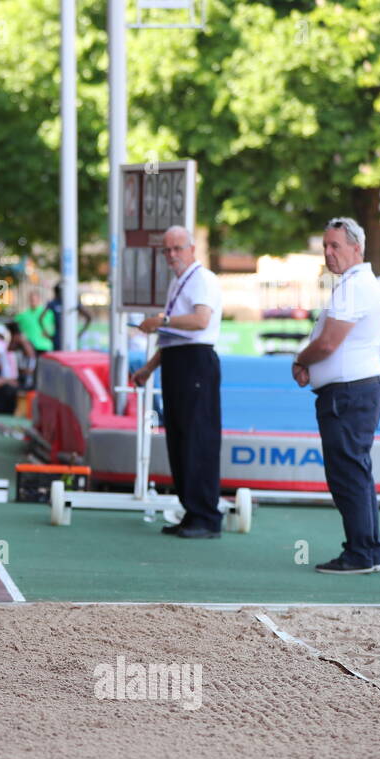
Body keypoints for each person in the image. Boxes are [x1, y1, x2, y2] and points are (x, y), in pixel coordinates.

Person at [292, 216, 380, 575]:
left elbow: (329, 343)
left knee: (347, 473)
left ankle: (361, 553)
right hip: (354, 390)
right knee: (355, 471)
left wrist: (301, 361)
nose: (328, 253)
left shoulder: (353, 286)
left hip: (349, 393)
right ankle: (368, 550)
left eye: (335, 246)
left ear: (356, 247)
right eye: (325, 247)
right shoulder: (355, 283)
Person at [130, 225, 224, 539]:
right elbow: (172, 338)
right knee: (181, 438)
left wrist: (162, 320)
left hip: (195, 362)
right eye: (167, 250)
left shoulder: (203, 279)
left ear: (192, 248)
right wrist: (148, 368)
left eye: (177, 249)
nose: (171, 255)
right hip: (177, 360)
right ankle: (192, 510)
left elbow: (200, 321)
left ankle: (206, 515)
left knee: (198, 437)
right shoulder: (179, 282)